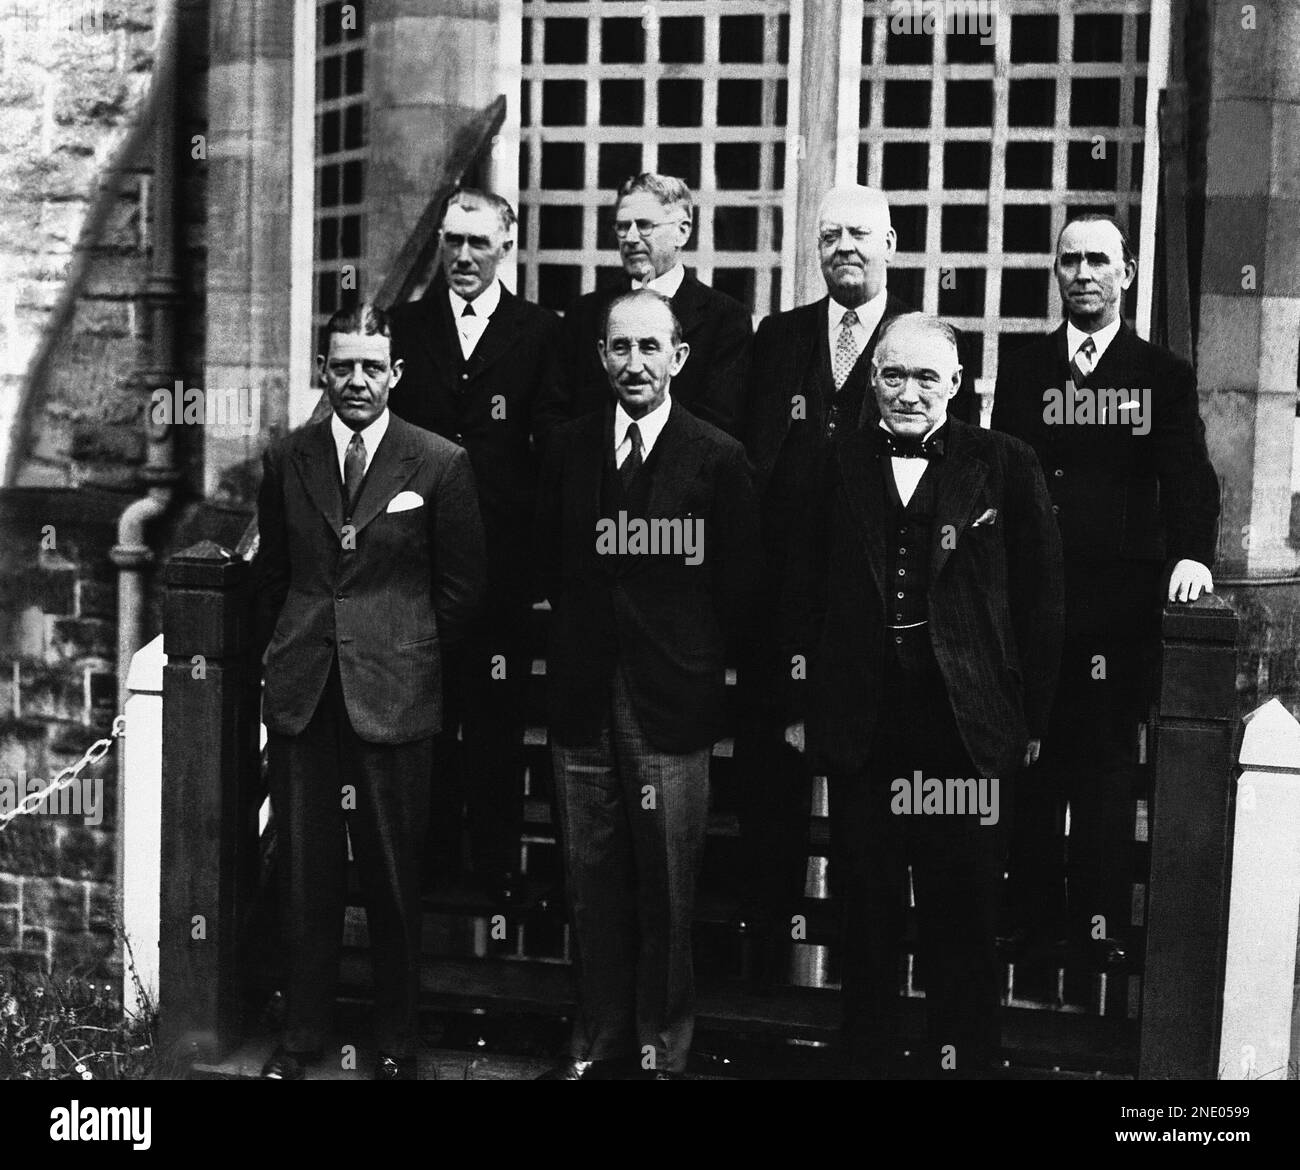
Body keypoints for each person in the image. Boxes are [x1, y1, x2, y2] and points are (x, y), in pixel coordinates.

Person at [783, 313, 1063, 1078]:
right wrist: (802, 707)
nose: (910, 393)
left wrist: (1028, 722)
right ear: (872, 380)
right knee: (866, 913)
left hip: (962, 733)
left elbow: (1042, 602)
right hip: (865, 729)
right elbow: (797, 590)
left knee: (963, 915)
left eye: (928, 377)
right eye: (895, 376)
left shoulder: (1004, 463)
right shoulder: (830, 461)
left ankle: (965, 1067)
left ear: (958, 384)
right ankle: (864, 1064)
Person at [733, 185, 977, 982]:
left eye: (861, 234)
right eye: (831, 233)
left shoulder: (920, 341)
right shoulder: (777, 338)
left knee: (876, 833)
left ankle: (863, 999)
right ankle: (766, 977)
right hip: (787, 612)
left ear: (891, 243)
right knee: (771, 805)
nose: (845, 246)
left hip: (881, 629)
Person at [252, 302, 486, 1080]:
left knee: (392, 877)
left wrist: (402, 653)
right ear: (324, 370)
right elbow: (276, 577)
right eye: (342, 365)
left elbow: (461, 591)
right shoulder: (289, 459)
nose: (356, 381)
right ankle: (301, 1037)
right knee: (305, 875)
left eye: (370, 367)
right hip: (306, 694)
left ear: (396, 374)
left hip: (392, 696)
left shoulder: (439, 463)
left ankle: (396, 1041)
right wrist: (292, 653)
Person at [534, 289, 761, 1080]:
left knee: (667, 891)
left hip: (670, 702)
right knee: (589, 882)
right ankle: (595, 1044)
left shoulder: (717, 456)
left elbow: (740, 590)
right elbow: (545, 565)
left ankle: (662, 1050)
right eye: (620, 348)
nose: (635, 363)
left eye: (650, 348)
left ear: (679, 358)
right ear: (601, 357)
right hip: (582, 698)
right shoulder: (564, 448)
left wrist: (696, 662)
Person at [992, 213, 1220, 964]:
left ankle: (1099, 929)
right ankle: (1024, 918)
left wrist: (1192, 555)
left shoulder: (1160, 375)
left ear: (1125, 274)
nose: (1083, 274)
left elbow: (1187, 476)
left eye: (1098, 261)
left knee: (1103, 776)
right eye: (1069, 261)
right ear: (1055, 274)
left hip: (1114, 612)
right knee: (1028, 768)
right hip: (1036, 608)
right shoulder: (1024, 368)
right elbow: (1001, 478)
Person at [387, 188, 564, 902]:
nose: (464, 256)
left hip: (501, 563)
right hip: (416, 562)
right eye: (453, 242)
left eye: (478, 244)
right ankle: (423, 879)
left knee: (494, 723)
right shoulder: (406, 326)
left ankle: (494, 878)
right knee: (423, 719)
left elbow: (549, 445)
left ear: (505, 247)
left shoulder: (540, 331)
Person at [559, 173, 752, 435]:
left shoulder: (725, 319)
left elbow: (721, 421)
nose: (630, 237)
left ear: (682, 232)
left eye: (645, 225)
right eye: (623, 226)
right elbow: (558, 414)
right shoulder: (584, 315)